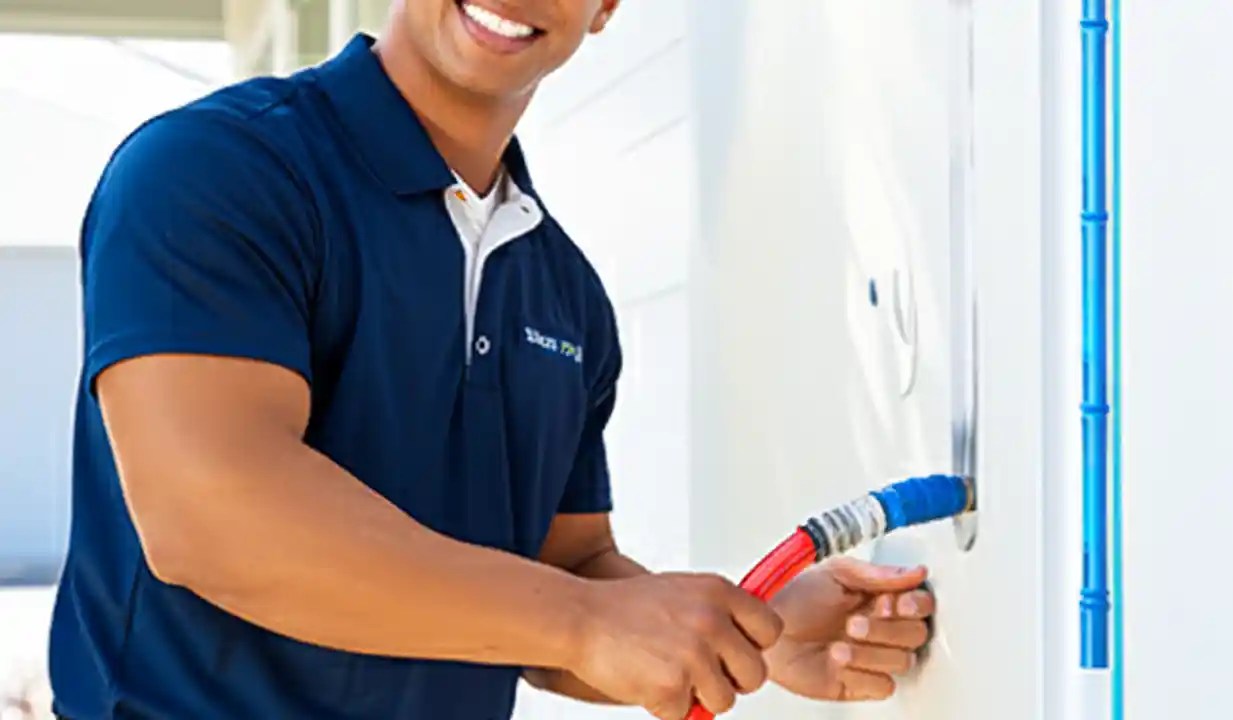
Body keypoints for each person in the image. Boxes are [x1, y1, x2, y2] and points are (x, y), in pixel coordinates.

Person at [47, 1, 936, 718]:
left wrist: (757, 631)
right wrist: (584, 624)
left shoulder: (566, 295)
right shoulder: (217, 170)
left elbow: (566, 577)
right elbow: (213, 519)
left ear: (605, 7)